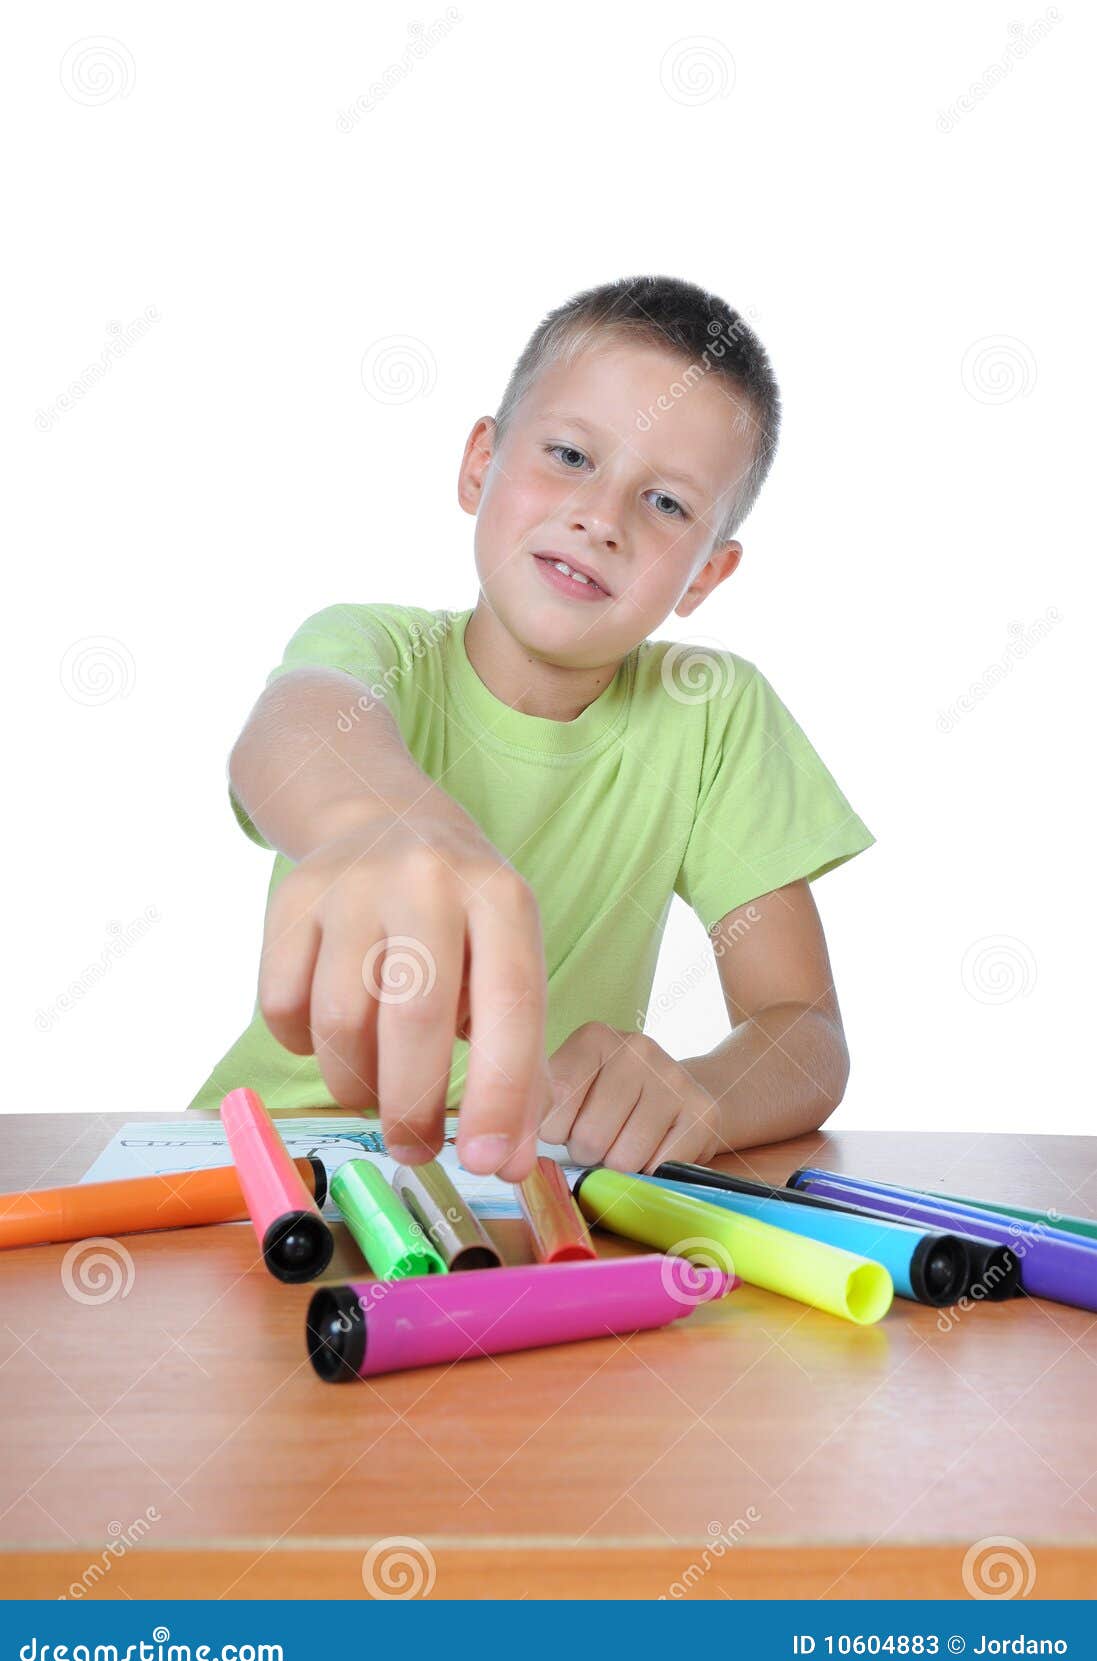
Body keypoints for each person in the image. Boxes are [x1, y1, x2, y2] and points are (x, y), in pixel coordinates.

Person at [190, 275, 875, 1183]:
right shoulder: (374, 645)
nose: (600, 518)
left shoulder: (714, 712)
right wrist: (372, 822)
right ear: (480, 463)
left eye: (665, 503)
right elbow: (294, 734)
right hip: (265, 1170)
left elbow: (804, 1031)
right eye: (568, 455)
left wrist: (699, 1092)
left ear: (706, 575)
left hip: (524, 1183)